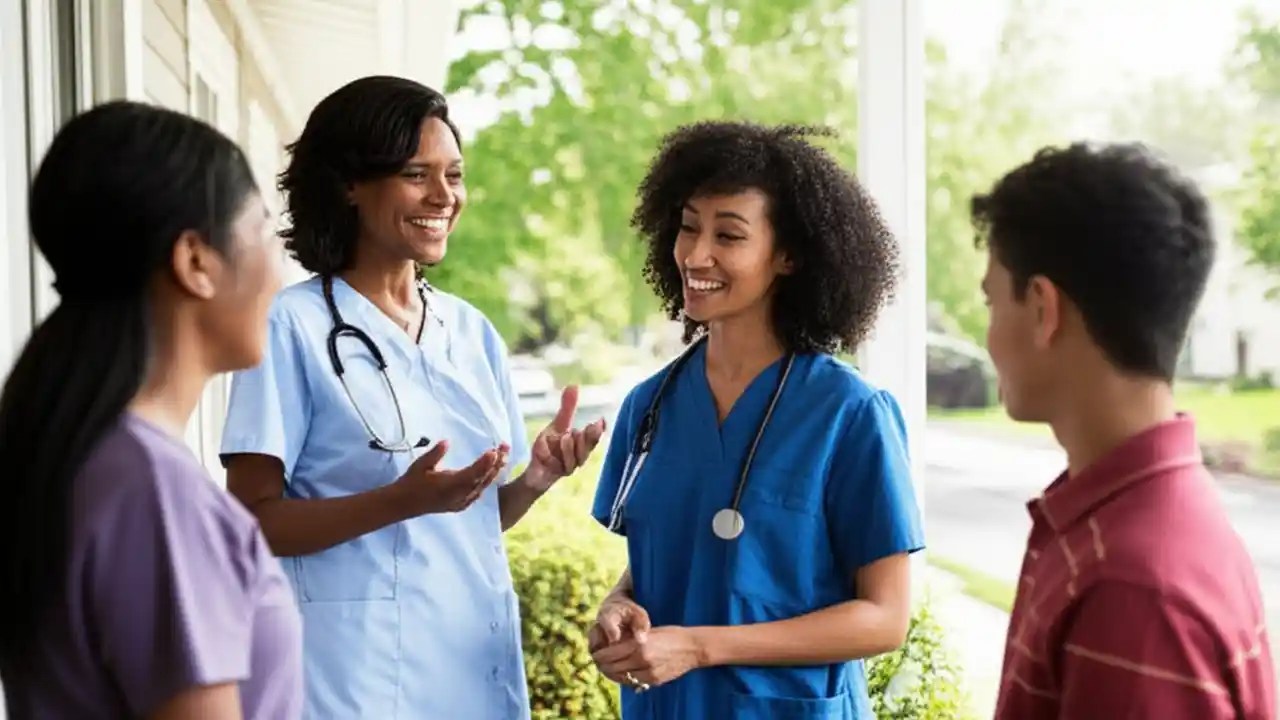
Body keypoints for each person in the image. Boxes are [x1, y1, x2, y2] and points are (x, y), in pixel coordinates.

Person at [219, 75, 606, 720]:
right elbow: (251, 524)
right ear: (350, 183)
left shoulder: (470, 330)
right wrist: (398, 501)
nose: (443, 196)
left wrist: (535, 479)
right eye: (415, 174)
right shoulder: (293, 327)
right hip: (356, 678)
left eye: (453, 175)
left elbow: (473, 520)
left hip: (472, 668)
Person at [587, 121, 925, 719]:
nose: (696, 254)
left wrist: (699, 646)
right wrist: (619, 605)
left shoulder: (848, 415)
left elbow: (884, 618)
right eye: (688, 227)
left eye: (729, 235)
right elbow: (675, 556)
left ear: (788, 255)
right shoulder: (650, 406)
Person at [0, 102, 300, 719]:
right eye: (267, 233)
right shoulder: (155, 492)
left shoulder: (94, 454)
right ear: (195, 262)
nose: (281, 269)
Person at [974, 142, 1276, 718]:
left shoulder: (1135, 591)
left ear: (1043, 309)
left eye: (992, 303)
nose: (989, 337)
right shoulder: (1136, 520)